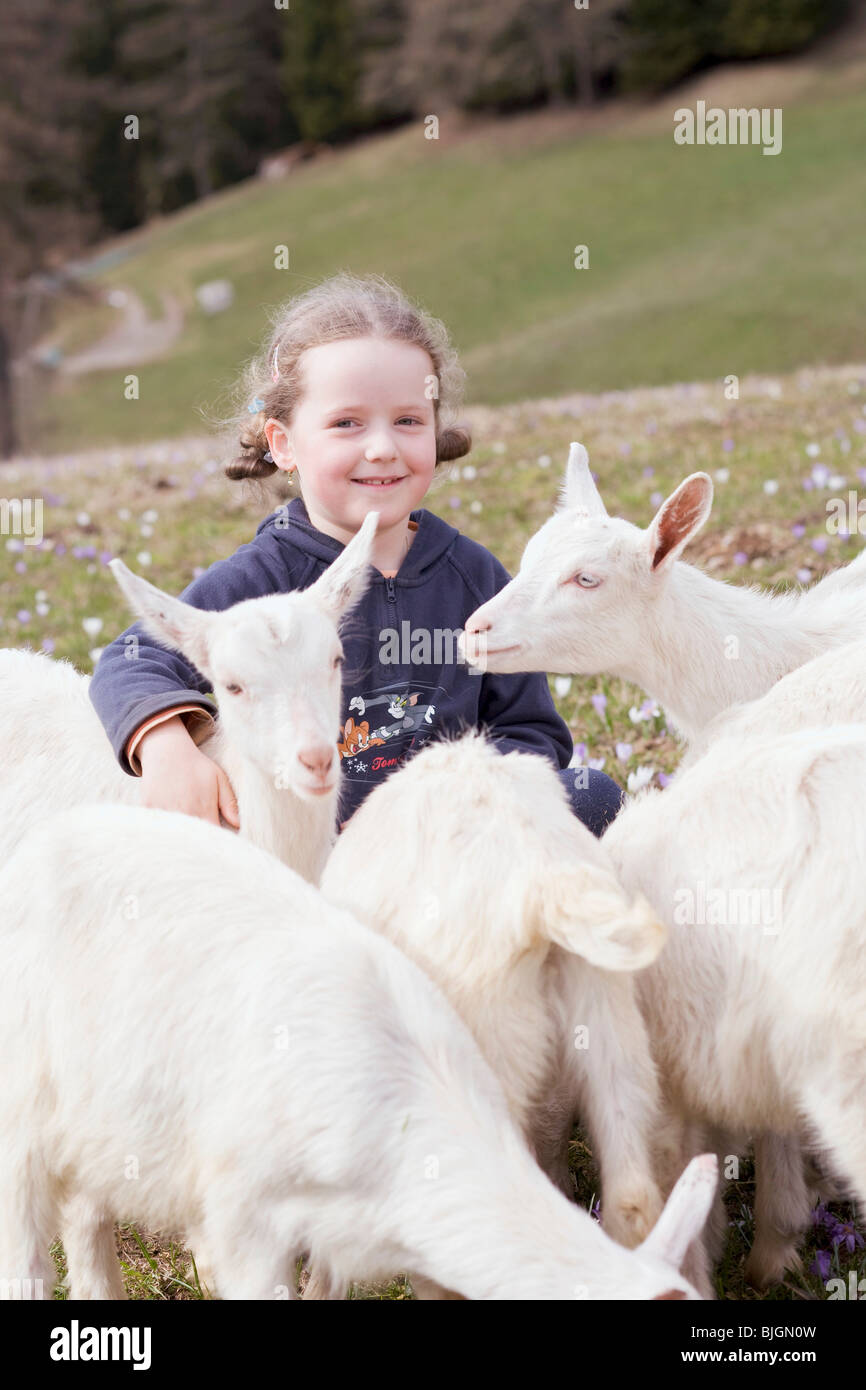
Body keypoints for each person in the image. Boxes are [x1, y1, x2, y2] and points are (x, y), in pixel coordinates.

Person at [89, 272, 623, 837]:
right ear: (283, 444)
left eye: (408, 421)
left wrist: (468, 797)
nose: (382, 448)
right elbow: (131, 660)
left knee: (594, 798)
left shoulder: (475, 576)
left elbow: (529, 731)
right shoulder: (260, 579)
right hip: (314, 844)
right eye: (347, 423)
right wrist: (167, 747)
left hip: (444, 837)